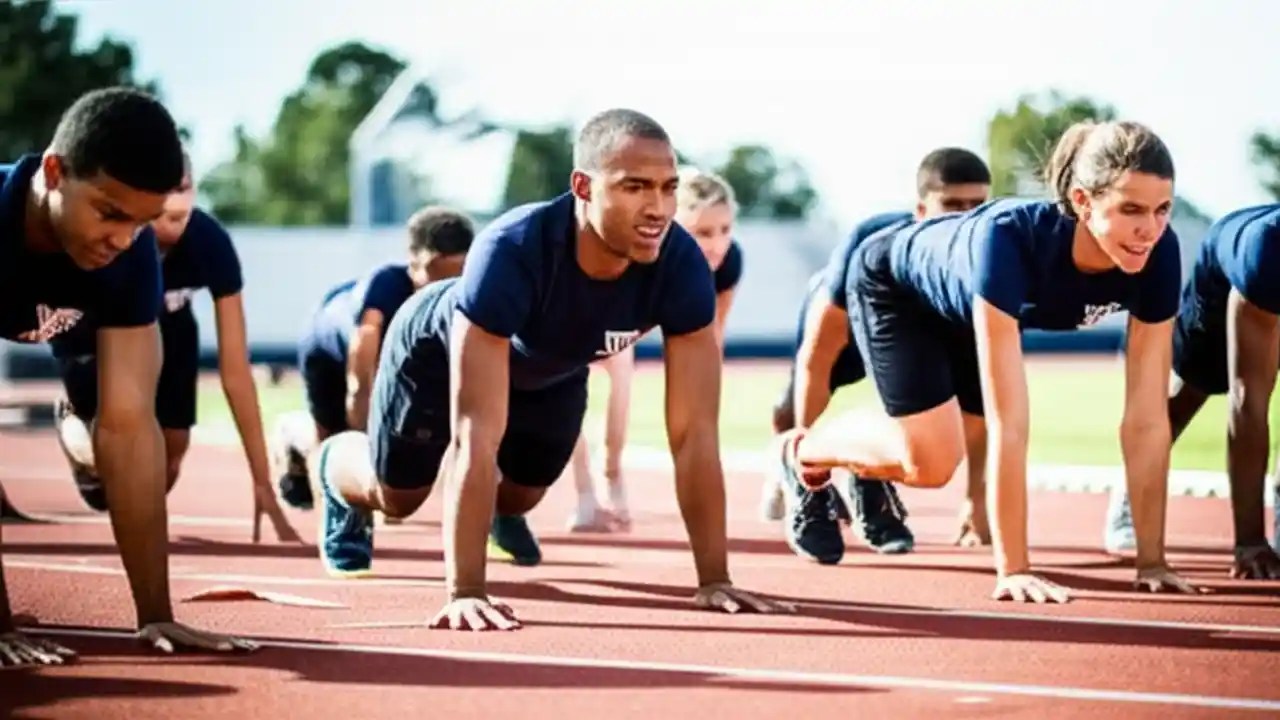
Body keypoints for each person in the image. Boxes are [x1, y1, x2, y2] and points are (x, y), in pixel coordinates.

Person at [311, 108, 793, 628]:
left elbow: (695, 433)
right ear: (583, 187)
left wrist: (714, 579)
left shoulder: (680, 266)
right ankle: (337, 466)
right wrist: (466, 590)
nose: (658, 207)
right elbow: (473, 436)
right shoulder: (511, 251)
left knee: (519, 496)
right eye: (634, 187)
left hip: (553, 366)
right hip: (436, 349)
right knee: (399, 498)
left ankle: (493, 515)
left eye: (668, 187)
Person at [774, 120, 1200, 602]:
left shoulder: (1158, 253)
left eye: (1163, 209)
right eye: (1130, 210)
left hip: (963, 303)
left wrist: (1153, 561)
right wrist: (1014, 568)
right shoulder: (1010, 240)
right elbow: (1010, 424)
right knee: (932, 464)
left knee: (934, 451)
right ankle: (801, 451)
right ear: (1082, 202)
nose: (1149, 229)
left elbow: (1146, 418)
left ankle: (869, 459)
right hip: (895, 286)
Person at [0, 87, 256, 667]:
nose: (122, 239)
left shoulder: (129, 255)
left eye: (140, 224)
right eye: (109, 213)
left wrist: (156, 612)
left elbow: (128, 427)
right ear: (54, 171)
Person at [48, 153, 300, 543]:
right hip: (99, 325)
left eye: (181, 218)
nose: (170, 230)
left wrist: (263, 482)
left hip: (173, 325)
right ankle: (73, 424)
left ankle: (120, 478)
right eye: (161, 218)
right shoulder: (115, 239)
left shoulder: (209, 242)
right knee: (112, 456)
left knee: (166, 460)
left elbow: (235, 370)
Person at [763, 148, 991, 564]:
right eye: (952, 206)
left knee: (927, 430)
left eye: (977, 206)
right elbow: (819, 355)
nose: (965, 219)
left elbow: (979, 408)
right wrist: (805, 462)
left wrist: (975, 502)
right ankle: (799, 474)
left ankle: (867, 480)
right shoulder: (871, 242)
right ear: (921, 210)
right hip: (848, 328)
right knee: (786, 410)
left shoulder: (988, 256)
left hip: (924, 334)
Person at [1103, 203, 1280, 578]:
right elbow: (1246, 404)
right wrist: (1249, 541)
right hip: (1226, 272)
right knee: (1194, 387)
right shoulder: (1266, 252)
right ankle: (1133, 491)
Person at [565, 167, 745, 533]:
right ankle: (586, 495)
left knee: (623, 382)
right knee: (573, 391)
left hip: (628, 323)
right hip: (582, 313)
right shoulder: (637, 251)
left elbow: (711, 339)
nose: (717, 244)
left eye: (725, 230)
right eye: (702, 233)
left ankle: (612, 473)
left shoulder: (727, 263)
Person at [271, 206, 475, 510]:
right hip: (328, 352)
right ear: (413, 262)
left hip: (384, 362)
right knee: (331, 444)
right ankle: (294, 429)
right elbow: (360, 386)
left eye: (457, 274)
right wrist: (370, 461)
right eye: (435, 273)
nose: (442, 287)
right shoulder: (384, 290)